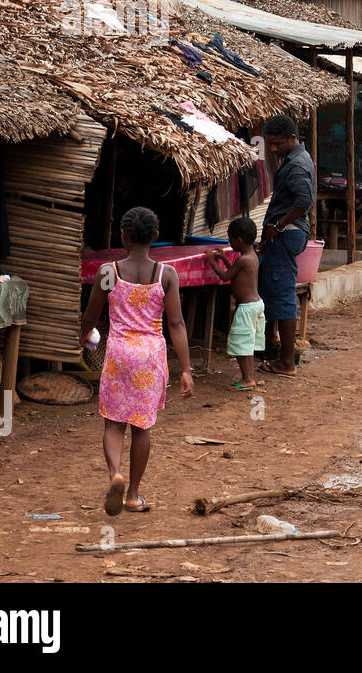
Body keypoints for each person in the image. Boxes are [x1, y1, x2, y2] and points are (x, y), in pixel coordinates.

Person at [80, 206, 193, 516]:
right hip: (150, 356)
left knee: (114, 425)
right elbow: (177, 324)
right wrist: (185, 368)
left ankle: (114, 473)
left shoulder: (108, 273)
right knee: (142, 428)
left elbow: (91, 315)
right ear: (155, 237)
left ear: (123, 236)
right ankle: (133, 494)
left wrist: (83, 337)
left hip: (118, 354)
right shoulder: (166, 275)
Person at [257, 113, 316, 377]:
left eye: (278, 144)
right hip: (282, 234)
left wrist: (279, 225)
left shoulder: (297, 165)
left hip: (287, 233)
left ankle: (287, 362)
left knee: (283, 294)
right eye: (270, 144)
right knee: (275, 288)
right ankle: (275, 344)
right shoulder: (293, 160)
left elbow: (304, 201)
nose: (273, 149)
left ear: (293, 138)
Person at [203, 217, 264, 391]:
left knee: (240, 344)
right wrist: (224, 259)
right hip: (256, 305)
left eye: (230, 239)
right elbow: (235, 272)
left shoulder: (243, 259)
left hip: (246, 308)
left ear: (238, 240)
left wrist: (213, 261)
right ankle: (249, 377)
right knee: (247, 344)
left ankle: (247, 379)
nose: (229, 243)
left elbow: (226, 277)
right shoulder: (250, 256)